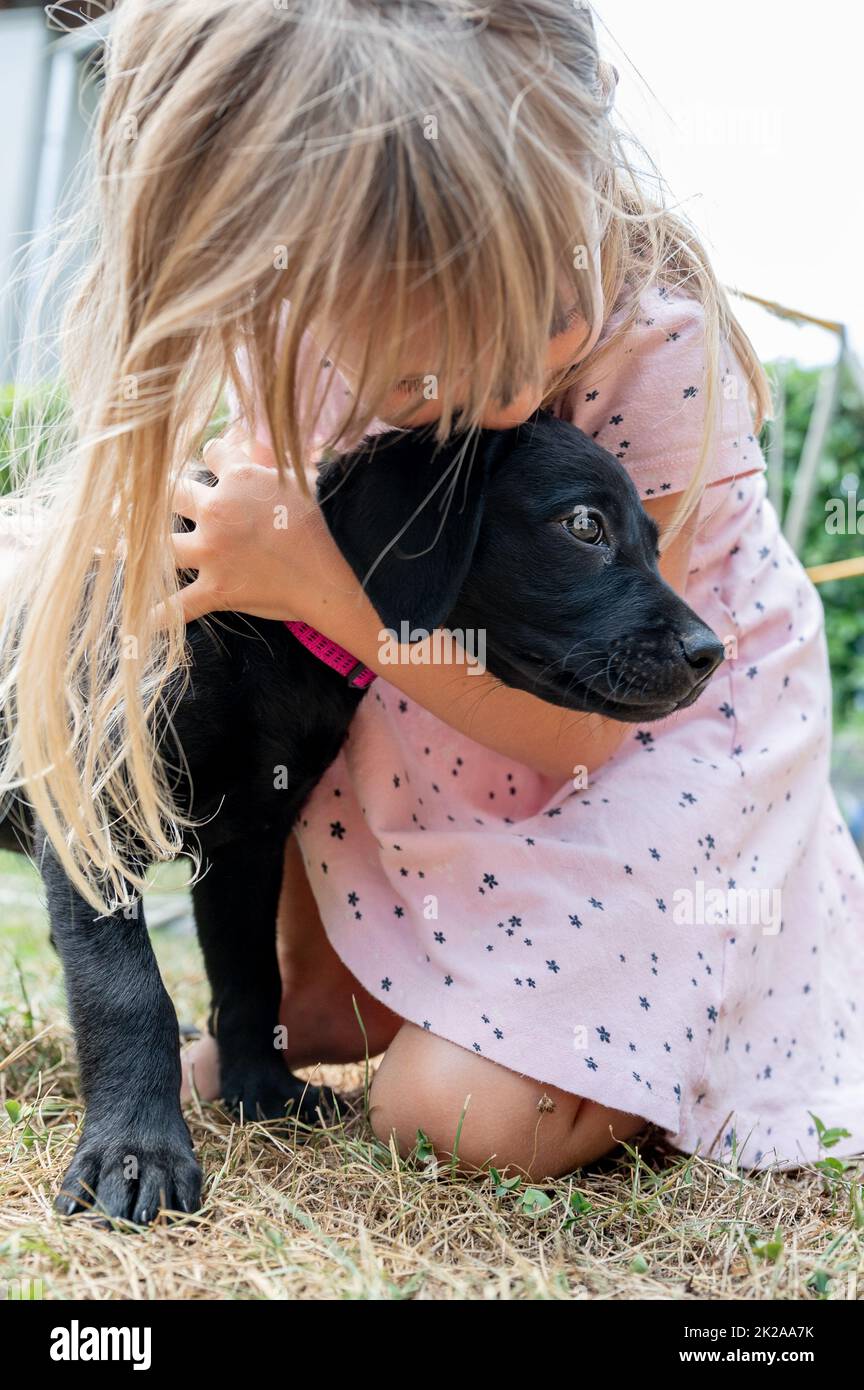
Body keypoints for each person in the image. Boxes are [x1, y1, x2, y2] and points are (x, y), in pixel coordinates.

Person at [2, 0, 861, 1179]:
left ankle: (640, 1034)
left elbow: (585, 731)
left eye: (537, 319)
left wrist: (326, 592)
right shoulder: (313, 328)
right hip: (424, 735)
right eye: (424, 372)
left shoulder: (660, 354)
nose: (503, 389)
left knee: (452, 1118)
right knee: (313, 982)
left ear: (585, 131)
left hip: (648, 745)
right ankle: (383, 1000)